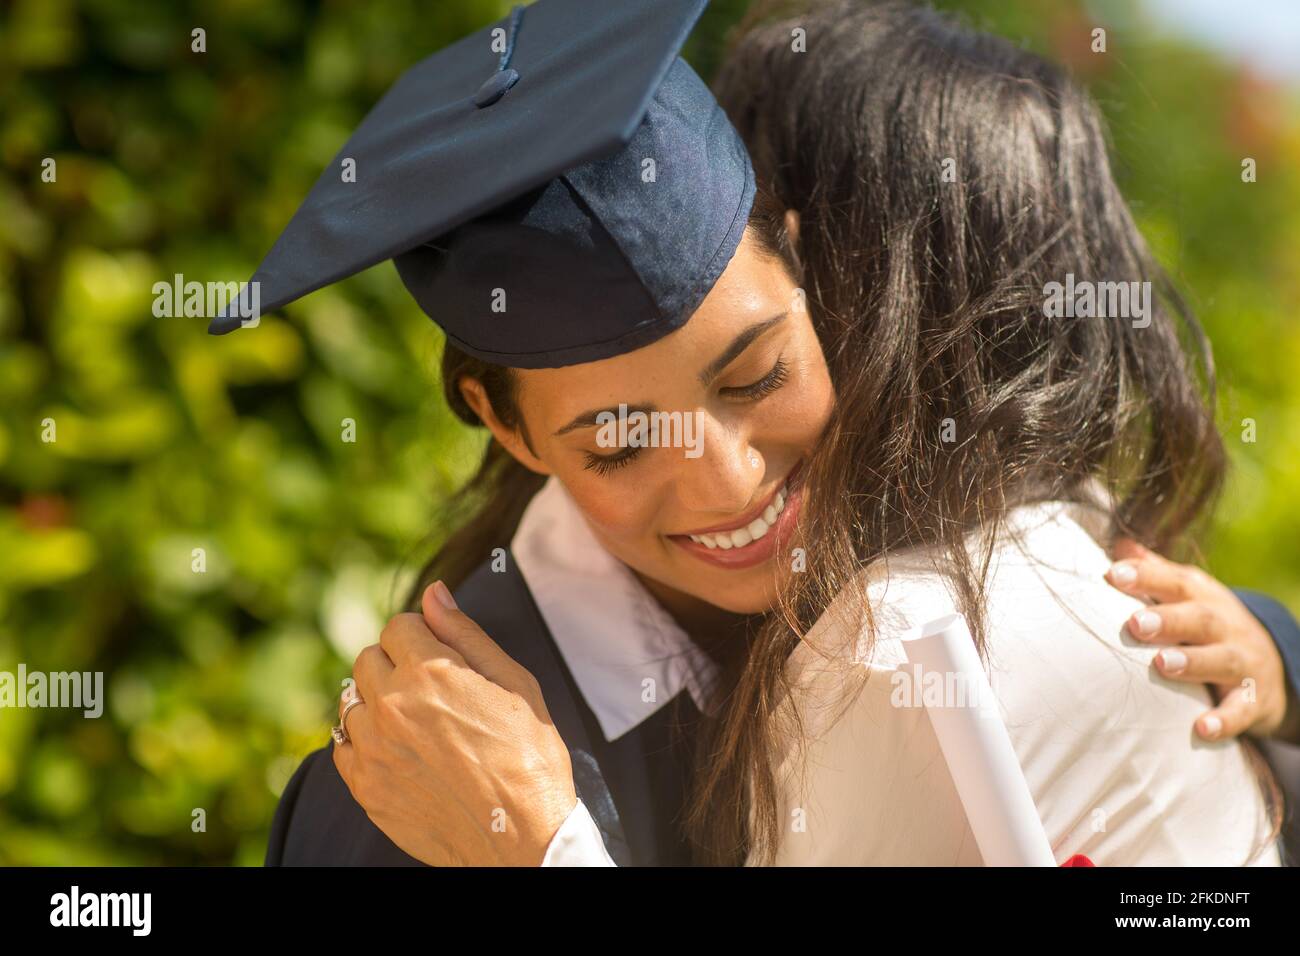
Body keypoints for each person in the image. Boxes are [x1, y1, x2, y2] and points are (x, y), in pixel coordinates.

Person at [223, 0, 1300, 866]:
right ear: (504, 424)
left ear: (809, 270)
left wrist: (1274, 655)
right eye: (619, 444)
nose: (728, 484)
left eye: (758, 374)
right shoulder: (427, 792)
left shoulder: (922, 573)